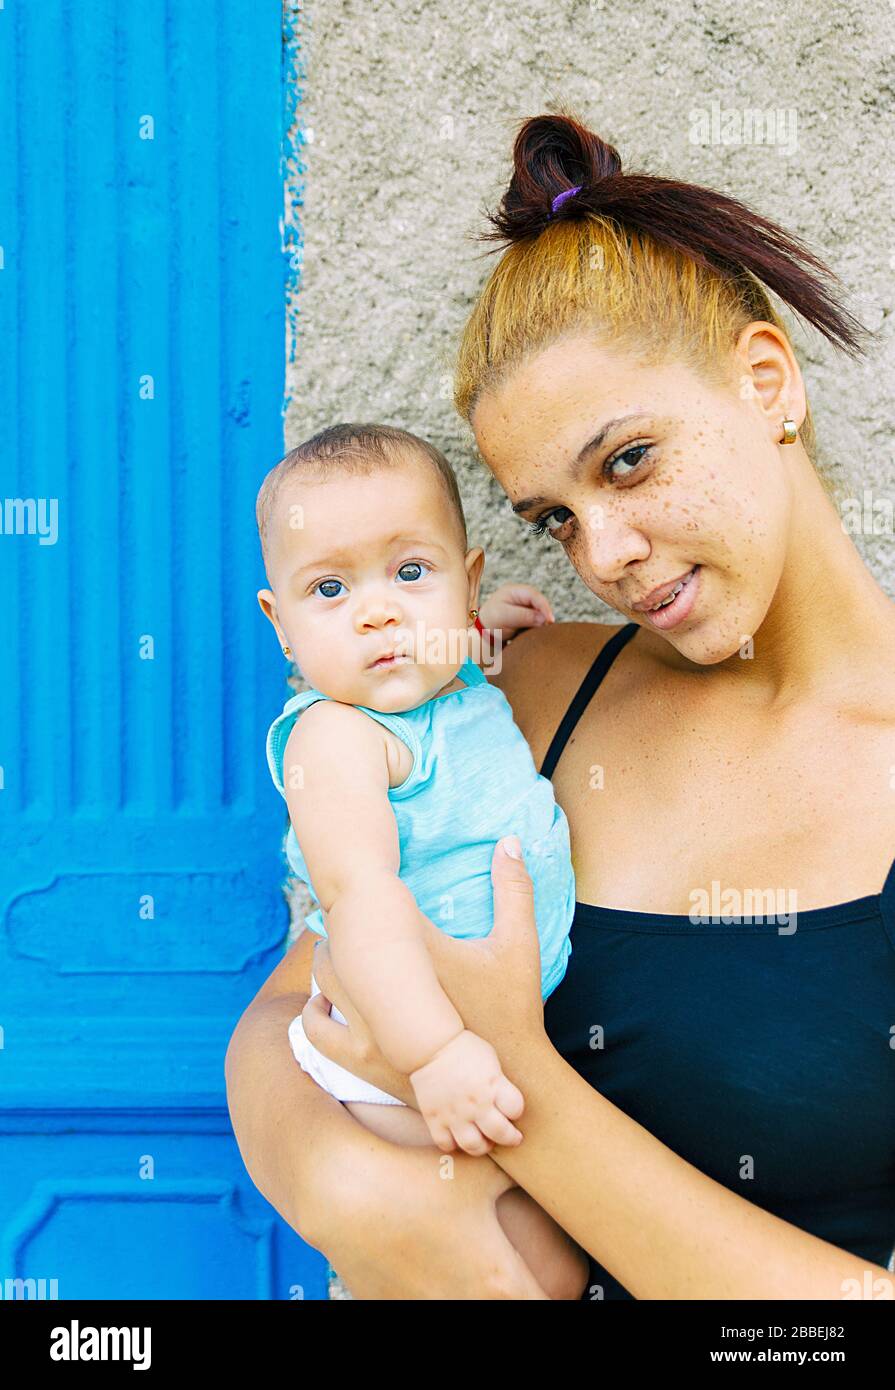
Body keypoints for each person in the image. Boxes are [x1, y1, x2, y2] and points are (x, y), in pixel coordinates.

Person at [226, 111, 895, 1299]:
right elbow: (296, 999)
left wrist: (517, 1092)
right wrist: (362, 1197)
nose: (608, 553)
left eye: (626, 461)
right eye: (553, 518)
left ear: (765, 380)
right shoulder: (524, 695)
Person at [254, 422, 588, 1297]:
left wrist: (486, 634)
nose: (379, 612)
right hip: (399, 1048)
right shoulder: (337, 738)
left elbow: (442, 664)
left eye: (411, 573)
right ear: (281, 625)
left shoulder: (445, 678)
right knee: (527, 1268)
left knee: (549, 1259)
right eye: (328, 589)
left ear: (465, 582)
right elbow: (360, 900)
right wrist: (431, 1055)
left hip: (474, 1034)